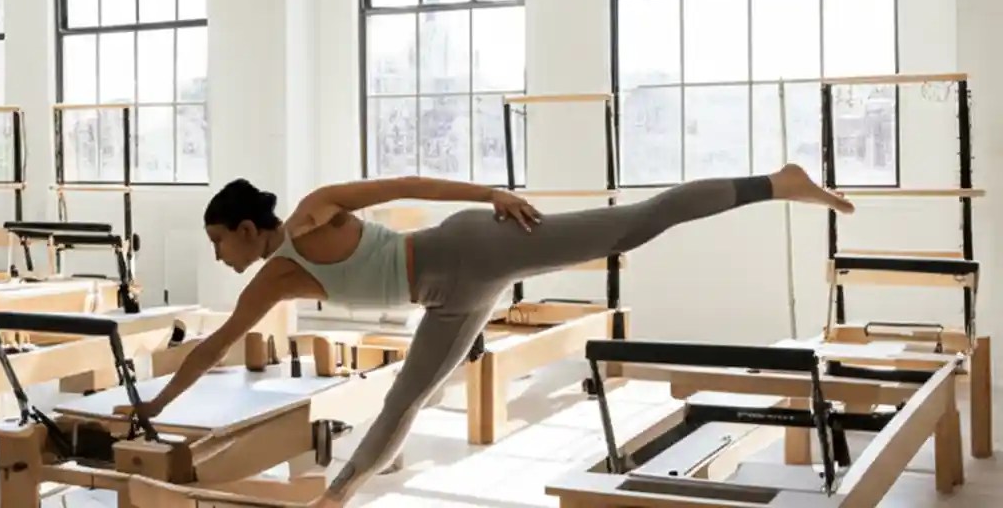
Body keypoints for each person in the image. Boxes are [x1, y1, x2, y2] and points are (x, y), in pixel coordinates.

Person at [138, 164, 854, 506]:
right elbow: (211, 346)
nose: (217, 257)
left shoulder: (310, 214)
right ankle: (336, 501)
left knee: (633, 224)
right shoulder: (272, 281)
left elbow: (402, 185)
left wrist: (491, 195)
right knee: (404, 404)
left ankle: (776, 183)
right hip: (449, 302)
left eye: (216, 242)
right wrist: (157, 408)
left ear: (242, 226)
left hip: (470, 252)